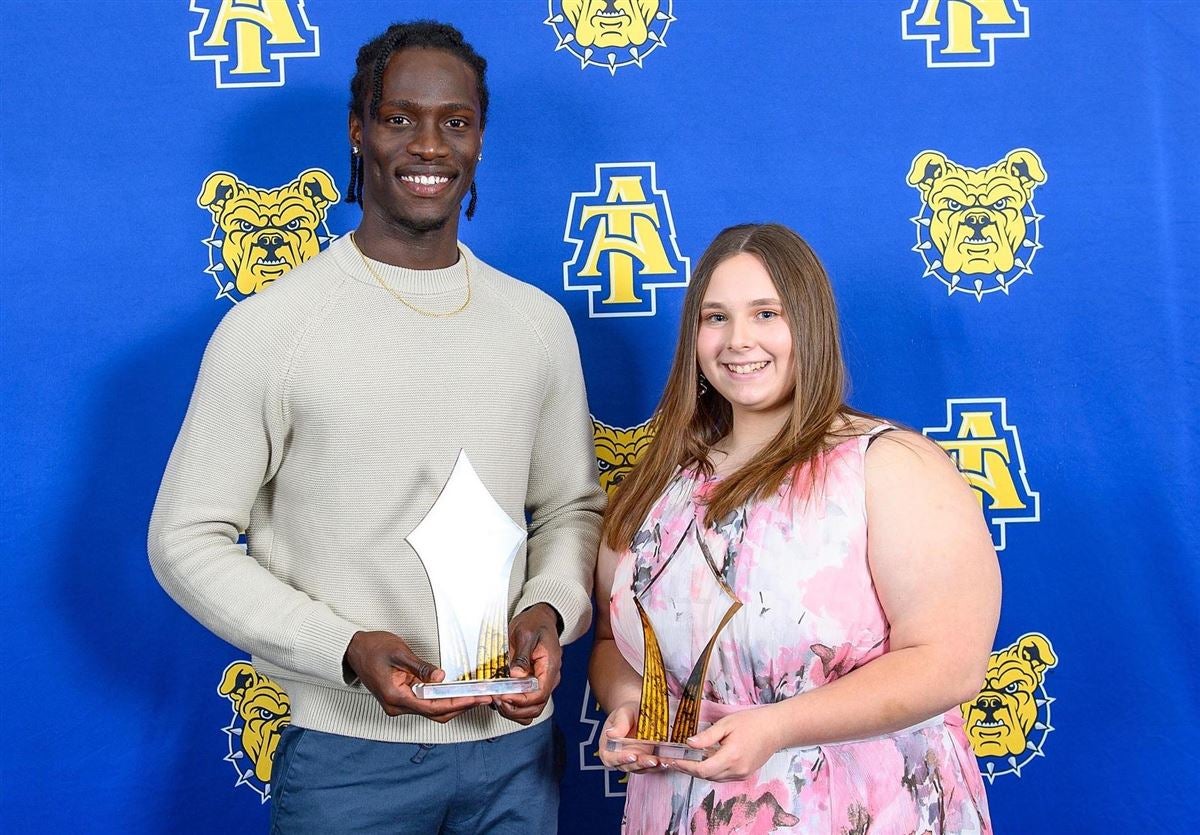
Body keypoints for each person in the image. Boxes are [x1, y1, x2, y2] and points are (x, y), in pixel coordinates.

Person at [149, 20, 604, 834]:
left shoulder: (537, 325)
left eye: (455, 122)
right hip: (345, 763)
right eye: (400, 118)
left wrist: (549, 608)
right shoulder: (272, 330)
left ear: (479, 140)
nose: (429, 144)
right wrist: (343, 648)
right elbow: (186, 538)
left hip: (515, 752)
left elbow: (572, 508)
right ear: (358, 133)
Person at [590, 223, 999, 833]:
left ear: (808, 325)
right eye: (716, 317)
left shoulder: (888, 465)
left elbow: (951, 662)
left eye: (766, 313)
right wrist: (633, 707)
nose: (738, 340)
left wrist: (778, 726)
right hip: (681, 805)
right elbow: (610, 645)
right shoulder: (658, 486)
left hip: (860, 808)